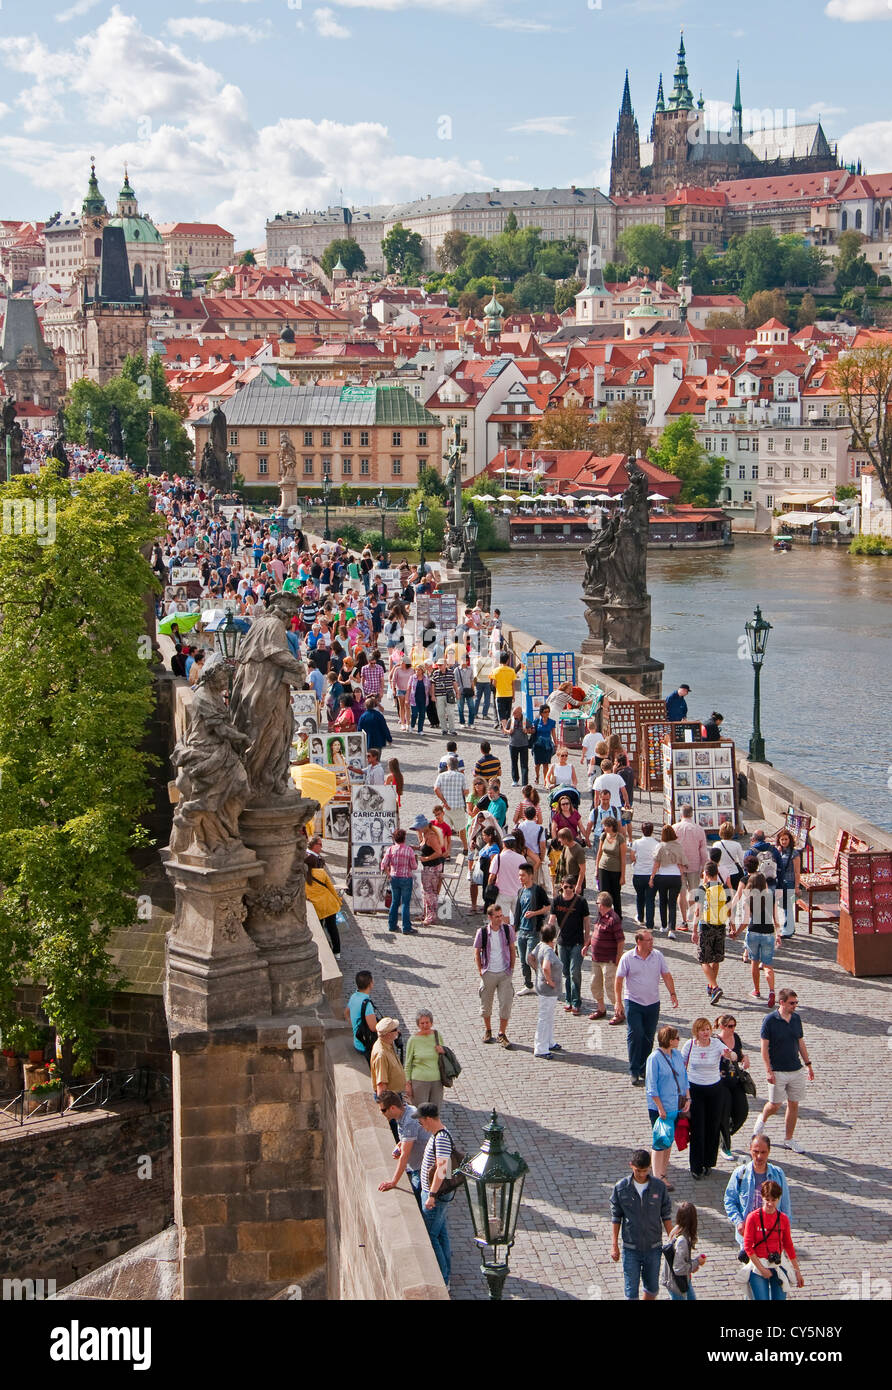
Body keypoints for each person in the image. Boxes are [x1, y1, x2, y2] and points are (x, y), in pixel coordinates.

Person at [753, 988, 814, 1153]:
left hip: (795, 1068)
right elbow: (764, 1049)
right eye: (791, 1003)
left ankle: (789, 1139)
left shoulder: (796, 1019)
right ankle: (762, 1120)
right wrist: (768, 1070)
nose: (795, 1006)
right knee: (774, 1104)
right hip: (777, 1070)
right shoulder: (770, 1021)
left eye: (796, 1003)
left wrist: (808, 1064)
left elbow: (800, 1042)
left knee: (794, 1104)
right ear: (782, 1003)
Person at [614, 930, 679, 1084]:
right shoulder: (628, 958)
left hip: (652, 1002)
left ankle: (644, 1067)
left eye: (652, 939)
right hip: (633, 1002)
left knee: (648, 1036)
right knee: (636, 1033)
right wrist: (618, 1001)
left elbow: (666, 975)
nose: (652, 942)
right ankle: (634, 1070)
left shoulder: (658, 956)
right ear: (639, 942)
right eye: (648, 940)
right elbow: (618, 980)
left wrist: (673, 993)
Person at [609, 1150, 673, 1302]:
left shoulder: (659, 1187)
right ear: (631, 1166)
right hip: (631, 1249)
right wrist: (614, 1245)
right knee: (631, 1292)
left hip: (654, 1247)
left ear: (650, 1168)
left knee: (652, 1289)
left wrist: (673, 1240)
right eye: (638, 1171)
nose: (641, 1174)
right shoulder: (621, 1188)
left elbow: (666, 1215)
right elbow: (616, 1217)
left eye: (645, 1171)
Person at [681, 1017, 734, 1179]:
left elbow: (733, 1056)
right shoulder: (689, 1045)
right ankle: (695, 1166)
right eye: (702, 1030)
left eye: (707, 1029)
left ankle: (708, 1162)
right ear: (696, 1032)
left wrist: (730, 1054)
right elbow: (681, 1067)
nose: (705, 1033)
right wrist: (685, 1093)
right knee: (698, 1128)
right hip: (696, 1089)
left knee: (713, 1126)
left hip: (714, 1089)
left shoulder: (716, 1044)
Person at [723, 1134, 792, 1253]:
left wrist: (784, 1232)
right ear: (750, 1150)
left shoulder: (778, 1174)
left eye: (763, 1152)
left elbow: (785, 1205)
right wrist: (738, 1222)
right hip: (748, 1236)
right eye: (756, 1152)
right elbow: (729, 1200)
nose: (759, 1156)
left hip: (772, 1237)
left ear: (769, 1152)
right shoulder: (740, 1173)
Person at [645, 1025, 690, 1189]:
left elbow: (684, 1078)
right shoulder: (654, 1058)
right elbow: (651, 1086)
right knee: (659, 1141)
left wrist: (688, 1098)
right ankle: (657, 1177)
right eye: (677, 1038)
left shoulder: (677, 1055)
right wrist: (660, 1108)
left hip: (676, 1105)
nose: (679, 1040)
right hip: (661, 1107)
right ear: (670, 1040)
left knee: (669, 1140)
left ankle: (663, 1173)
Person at [743, 1180, 804, 1300]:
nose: (770, 1203)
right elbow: (748, 1247)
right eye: (767, 1200)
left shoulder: (783, 1219)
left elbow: (788, 1245)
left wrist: (797, 1270)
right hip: (759, 1264)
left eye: (774, 1200)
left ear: (779, 1199)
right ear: (762, 1198)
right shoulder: (753, 1218)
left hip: (778, 1264)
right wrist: (761, 1269)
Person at [417, 1102, 457, 1287]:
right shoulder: (440, 1134)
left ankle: (442, 1278)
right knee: (441, 1233)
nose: (421, 1125)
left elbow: (442, 1168)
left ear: (428, 1119)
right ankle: (446, 1275)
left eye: (421, 1121)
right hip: (436, 1193)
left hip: (436, 1196)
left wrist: (432, 1195)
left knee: (431, 1235)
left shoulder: (441, 1138)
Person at [474, 903, 516, 1049]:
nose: (500, 919)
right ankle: (488, 1030)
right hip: (489, 972)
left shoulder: (507, 929)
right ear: (490, 917)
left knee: (506, 1003)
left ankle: (501, 1033)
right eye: (497, 917)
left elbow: (512, 949)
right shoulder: (482, 932)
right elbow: (477, 951)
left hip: (504, 972)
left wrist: (511, 968)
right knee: (486, 1003)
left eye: (501, 916)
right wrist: (481, 970)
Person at [377, 1090, 428, 1206]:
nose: (381, 1113)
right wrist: (401, 1144)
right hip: (419, 1164)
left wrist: (393, 1182)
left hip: (421, 1169)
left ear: (393, 1108)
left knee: (424, 1211)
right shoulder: (407, 1110)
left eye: (383, 1110)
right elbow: (412, 1138)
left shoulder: (409, 1120)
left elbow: (404, 1156)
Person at [548, 877, 591, 1017]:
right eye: (566, 887)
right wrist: (549, 938)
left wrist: (587, 939)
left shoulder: (581, 902)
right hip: (562, 942)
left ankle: (576, 1002)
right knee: (566, 973)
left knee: (574, 972)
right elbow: (552, 921)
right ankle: (569, 999)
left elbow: (586, 921)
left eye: (571, 887)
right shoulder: (557, 901)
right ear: (561, 886)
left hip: (577, 942)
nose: (568, 890)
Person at [737, 871, 780, 1006]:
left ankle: (756, 990)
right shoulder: (770, 896)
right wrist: (778, 934)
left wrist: (737, 932)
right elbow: (776, 918)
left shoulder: (749, 899)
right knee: (767, 965)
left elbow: (745, 921)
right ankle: (772, 991)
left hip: (754, 932)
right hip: (768, 933)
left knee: (754, 962)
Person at [690, 861, 730, 1005]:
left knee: (703, 959)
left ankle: (715, 986)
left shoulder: (702, 889)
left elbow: (697, 911)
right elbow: (729, 907)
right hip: (720, 925)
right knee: (716, 958)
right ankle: (711, 986)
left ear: (706, 874)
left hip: (706, 926)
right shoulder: (724, 888)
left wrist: (694, 930)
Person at [715, 1012, 751, 1160]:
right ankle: (725, 1147)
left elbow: (739, 1054)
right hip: (720, 1082)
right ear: (722, 1026)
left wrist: (745, 1057)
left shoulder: (735, 1038)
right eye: (730, 1026)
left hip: (735, 1079)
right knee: (725, 1112)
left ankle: (722, 1136)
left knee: (742, 1111)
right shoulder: (715, 1040)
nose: (733, 1029)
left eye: (734, 1026)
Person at [587, 891, 625, 1021]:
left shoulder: (613, 919)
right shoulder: (600, 916)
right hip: (596, 958)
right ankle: (601, 1008)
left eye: (597, 903)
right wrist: (587, 945)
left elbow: (621, 941)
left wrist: (618, 958)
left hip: (609, 960)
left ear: (602, 904)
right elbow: (595, 933)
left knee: (610, 987)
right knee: (594, 984)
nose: (596, 905)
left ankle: (619, 1012)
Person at [514, 861, 551, 994]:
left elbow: (548, 907)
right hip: (522, 931)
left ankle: (542, 981)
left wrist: (534, 913)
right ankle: (528, 985)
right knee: (523, 961)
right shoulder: (521, 891)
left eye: (523, 875)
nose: (520, 878)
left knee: (530, 959)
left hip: (533, 931)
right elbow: (518, 911)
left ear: (530, 875)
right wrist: (515, 928)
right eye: (519, 875)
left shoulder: (538, 890)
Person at [529, 923, 562, 1059]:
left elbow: (529, 957)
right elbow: (546, 967)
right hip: (548, 989)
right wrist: (548, 979)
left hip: (543, 987)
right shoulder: (548, 950)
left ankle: (549, 1041)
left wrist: (538, 972)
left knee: (548, 1015)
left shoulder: (539, 946)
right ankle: (540, 1048)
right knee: (544, 1017)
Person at [661, 1202, 705, 1302]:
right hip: (676, 1283)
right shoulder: (682, 1241)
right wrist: (697, 1262)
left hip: (681, 1279)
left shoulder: (676, 1230)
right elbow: (679, 1269)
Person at [404, 1009, 448, 1109]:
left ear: (431, 1023)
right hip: (419, 1082)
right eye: (422, 1023)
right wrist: (407, 1084)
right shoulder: (413, 1040)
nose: (425, 1025)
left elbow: (445, 1056)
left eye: (427, 1022)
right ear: (418, 1025)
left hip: (437, 1081)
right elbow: (408, 1064)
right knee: (420, 1112)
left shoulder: (437, 1036)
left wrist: (443, 1051)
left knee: (435, 1111)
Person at [673, 804, 708, 927]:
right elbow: (703, 850)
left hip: (678, 866)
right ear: (692, 814)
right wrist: (705, 866)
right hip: (694, 865)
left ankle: (683, 919)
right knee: (693, 892)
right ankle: (691, 915)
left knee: (681, 893)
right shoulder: (699, 829)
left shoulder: (674, 828)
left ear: (681, 814)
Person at [380, 828, 418, 936]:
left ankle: (392, 925)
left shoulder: (390, 849)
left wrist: (388, 874)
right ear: (404, 838)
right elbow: (414, 866)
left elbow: (383, 865)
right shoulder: (409, 850)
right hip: (406, 878)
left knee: (395, 902)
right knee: (405, 903)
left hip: (394, 877)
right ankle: (406, 927)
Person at [304, 852, 342, 957]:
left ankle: (321, 951)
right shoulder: (321, 873)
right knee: (332, 928)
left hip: (315, 907)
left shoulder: (303, 876)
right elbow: (331, 888)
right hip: (328, 904)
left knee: (319, 931)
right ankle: (337, 952)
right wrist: (338, 901)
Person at [415, 814, 448, 926]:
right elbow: (425, 848)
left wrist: (426, 858)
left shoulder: (431, 836)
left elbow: (438, 852)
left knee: (429, 892)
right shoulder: (425, 835)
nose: (417, 830)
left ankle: (431, 915)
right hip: (428, 867)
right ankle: (427, 913)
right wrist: (415, 848)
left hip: (432, 867)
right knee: (427, 891)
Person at [434, 755, 469, 852]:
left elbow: (436, 789)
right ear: (457, 766)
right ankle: (465, 848)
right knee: (461, 829)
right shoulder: (461, 776)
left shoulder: (441, 776)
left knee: (446, 831)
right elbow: (466, 791)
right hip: (458, 806)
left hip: (445, 807)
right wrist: (459, 793)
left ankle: (447, 853)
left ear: (447, 766)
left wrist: (444, 800)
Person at [487, 833, 527, 918]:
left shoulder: (498, 858)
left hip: (502, 893)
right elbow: (526, 876)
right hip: (518, 893)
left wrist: (489, 886)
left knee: (502, 918)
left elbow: (491, 876)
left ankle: (506, 931)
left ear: (504, 844)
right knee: (518, 919)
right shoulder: (521, 858)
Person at [629, 822, 658, 929]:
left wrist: (636, 861)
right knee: (650, 899)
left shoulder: (637, 843)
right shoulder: (656, 843)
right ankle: (650, 923)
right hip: (650, 874)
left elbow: (632, 856)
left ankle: (641, 917)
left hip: (639, 873)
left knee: (640, 896)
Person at [369, 1017, 407, 1102]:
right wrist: (385, 1107)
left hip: (395, 1095)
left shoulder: (387, 1043)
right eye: (395, 1029)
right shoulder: (381, 1055)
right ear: (388, 1034)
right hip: (390, 1100)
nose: (398, 1031)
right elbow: (381, 1085)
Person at [774, 827, 801, 940]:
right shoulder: (779, 852)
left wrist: (797, 886)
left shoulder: (794, 853)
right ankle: (790, 927)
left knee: (788, 907)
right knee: (784, 906)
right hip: (780, 882)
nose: (784, 841)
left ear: (790, 840)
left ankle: (788, 930)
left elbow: (797, 871)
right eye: (782, 840)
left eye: (786, 839)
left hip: (789, 882)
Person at [345, 970, 378, 1061]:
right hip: (365, 1046)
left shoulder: (354, 996)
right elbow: (373, 1027)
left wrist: (354, 1025)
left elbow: (346, 1013)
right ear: (370, 984)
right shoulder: (367, 1004)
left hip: (357, 1042)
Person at [595, 815, 626, 912]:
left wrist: (623, 876)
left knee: (616, 895)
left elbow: (623, 858)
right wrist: (596, 869)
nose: (604, 828)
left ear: (611, 826)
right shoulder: (603, 836)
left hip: (615, 870)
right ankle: (603, 914)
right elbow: (599, 853)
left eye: (606, 826)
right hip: (603, 868)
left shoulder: (620, 838)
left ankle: (617, 916)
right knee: (603, 894)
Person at [431, 657, 460, 737]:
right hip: (439, 695)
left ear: (445, 665)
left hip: (449, 695)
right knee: (440, 713)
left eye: (441, 665)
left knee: (451, 713)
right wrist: (433, 695)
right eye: (438, 665)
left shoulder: (451, 672)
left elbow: (454, 683)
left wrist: (457, 693)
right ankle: (444, 729)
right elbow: (433, 685)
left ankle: (452, 730)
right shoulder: (435, 673)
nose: (439, 666)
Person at [715, 822, 746, 890]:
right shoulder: (737, 845)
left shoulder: (716, 845)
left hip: (721, 874)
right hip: (734, 872)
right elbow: (742, 861)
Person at [530, 704, 556, 785]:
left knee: (546, 764)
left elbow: (553, 734)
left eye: (548, 712)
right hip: (537, 745)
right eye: (545, 712)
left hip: (547, 746)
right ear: (541, 713)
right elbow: (533, 731)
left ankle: (546, 780)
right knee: (537, 764)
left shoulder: (552, 722)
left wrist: (556, 744)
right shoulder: (536, 721)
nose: (547, 713)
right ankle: (537, 777)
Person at [506, 706, 532, 787]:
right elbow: (505, 730)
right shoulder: (511, 720)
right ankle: (515, 780)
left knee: (524, 764)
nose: (513, 714)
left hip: (523, 745)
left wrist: (527, 730)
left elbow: (532, 730)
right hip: (513, 745)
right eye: (513, 712)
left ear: (520, 713)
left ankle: (525, 783)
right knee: (514, 763)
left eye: (515, 713)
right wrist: (508, 731)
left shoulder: (526, 720)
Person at [556, 827, 586, 895]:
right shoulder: (565, 847)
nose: (558, 840)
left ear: (566, 839)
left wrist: (578, 886)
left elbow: (582, 870)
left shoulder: (579, 850)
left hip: (574, 880)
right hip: (567, 879)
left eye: (560, 838)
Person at [492, 652, 518, 730]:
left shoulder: (495, 671)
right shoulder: (512, 671)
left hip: (500, 694)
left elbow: (494, 683)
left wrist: (500, 687)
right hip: (509, 694)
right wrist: (514, 696)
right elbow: (513, 685)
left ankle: (505, 729)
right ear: (507, 661)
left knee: (501, 713)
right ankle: (506, 728)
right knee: (507, 713)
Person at [454, 652, 476, 727]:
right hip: (460, 691)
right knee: (460, 708)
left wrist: (474, 691)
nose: (464, 661)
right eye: (463, 660)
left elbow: (472, 681)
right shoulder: (456, 670)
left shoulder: (470, 669)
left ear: (467, 661)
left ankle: (471, 723)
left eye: (466, 660)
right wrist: (457, 693)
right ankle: (462, 722)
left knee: (472, 707)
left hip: (469, 690)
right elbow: (455, 682)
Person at [409, 664, 431, 735]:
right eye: (416, 669)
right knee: (414, 714)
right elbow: (408, 688)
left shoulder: (426, 678)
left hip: (424, 700)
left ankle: (420, 730)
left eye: (418, 670)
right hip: (414, 699)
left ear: (422, 671)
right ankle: (412, 726)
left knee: (422, 715)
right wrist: (407, 698)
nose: (417, 671)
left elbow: (430, 688)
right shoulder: (412, 677)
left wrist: (433, 696)